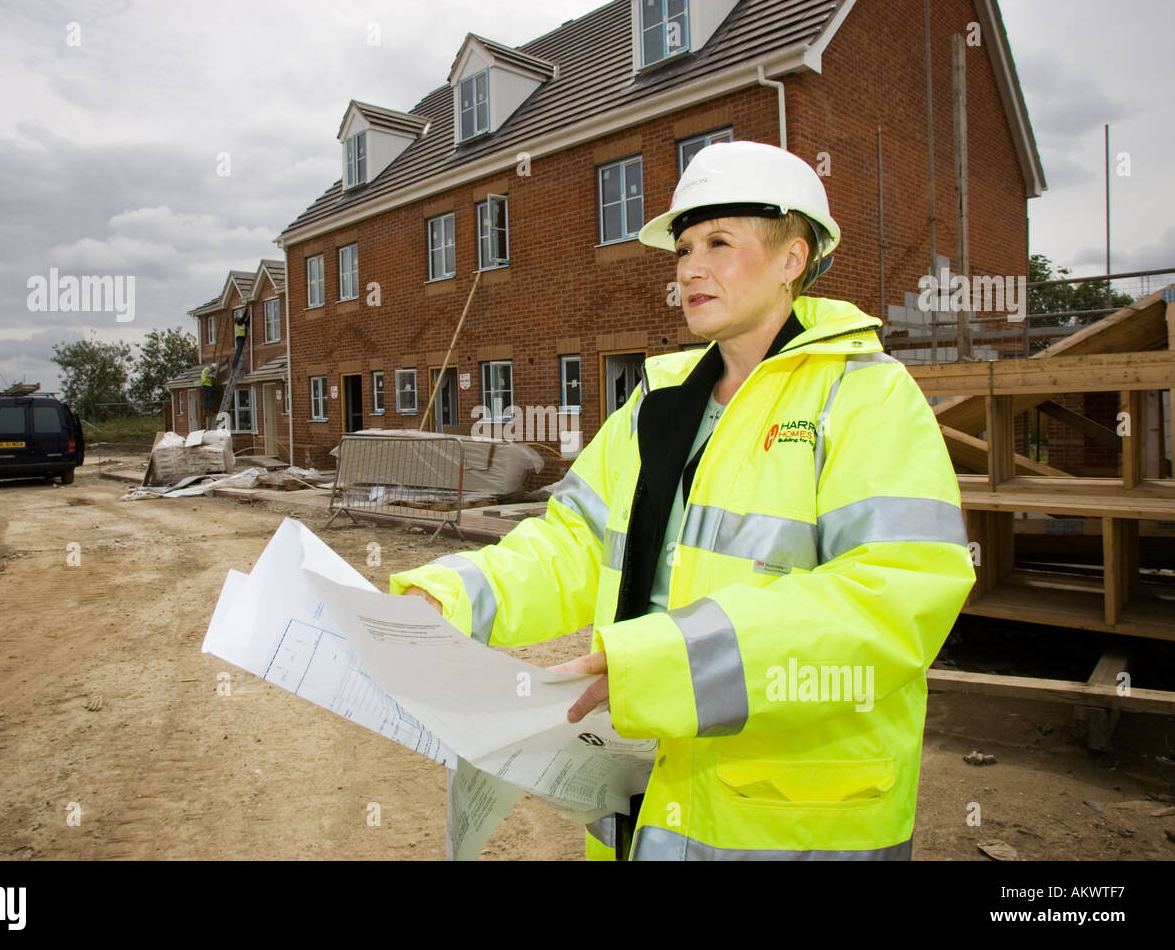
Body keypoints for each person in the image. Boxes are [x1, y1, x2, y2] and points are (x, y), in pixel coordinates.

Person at [390, 141, 975, 861]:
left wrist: (661, 664)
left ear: (793, 258)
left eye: (719, 243)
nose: (690, 267)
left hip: (785, 824)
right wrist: (448, 599)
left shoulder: (866, 397)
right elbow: (574, 543)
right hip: (645, 801)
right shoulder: (657, 407)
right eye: (684, 247)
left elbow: (891, 599)